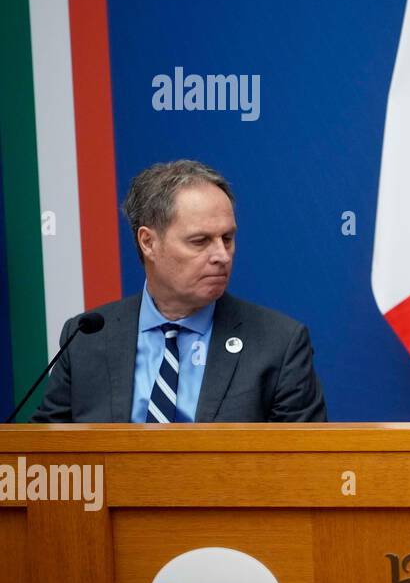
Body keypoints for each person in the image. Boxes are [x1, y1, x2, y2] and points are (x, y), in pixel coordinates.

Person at [32, 160, 327, 423]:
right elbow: (41, 455)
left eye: (227, 238)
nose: (222, 256)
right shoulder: (87, 338)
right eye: (200, 241)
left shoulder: (278, 344)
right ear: (148, 242)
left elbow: (305, 466)